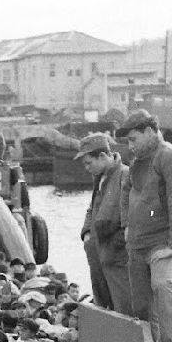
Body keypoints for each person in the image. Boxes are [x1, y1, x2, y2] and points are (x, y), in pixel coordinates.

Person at [119, 109, 172, 342]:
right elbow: (126, 192)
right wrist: (126, 224)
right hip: (137, 244)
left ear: (150, 132)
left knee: (162, 285)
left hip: (161, 242)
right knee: (141, 306)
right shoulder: (137, 163)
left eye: (134, 139)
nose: (130, 146)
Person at [75, 133, 131, 314]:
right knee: (102, 301)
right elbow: (92, 208)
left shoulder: (125, 176)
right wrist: (87, 234)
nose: (86, 168)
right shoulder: (100, 178)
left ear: (102, 156)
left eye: (88, 163)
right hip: (98, 250)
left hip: (116, 254)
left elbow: (132, 216)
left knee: (122, 303)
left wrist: (117, 244)